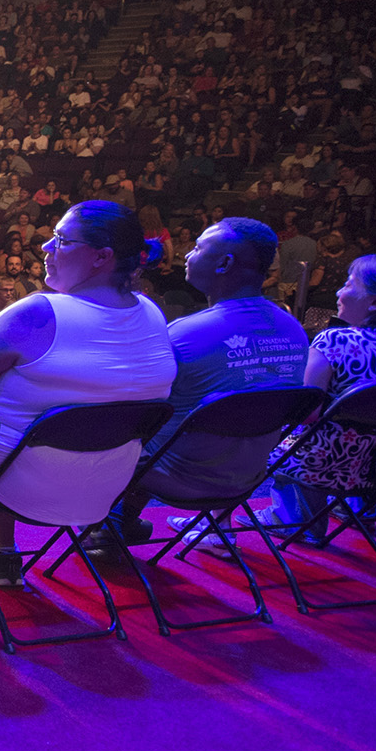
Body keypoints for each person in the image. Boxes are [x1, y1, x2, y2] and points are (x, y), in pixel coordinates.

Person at [0, 202, 177, 585]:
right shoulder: (153, 314)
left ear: (101, 257)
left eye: (60, 240)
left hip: (10, 486)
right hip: (102, 491)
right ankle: (0, 554)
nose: (45, 247)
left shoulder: (37, 313)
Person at [98, 219, 308, 551]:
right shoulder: (293, 328)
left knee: (110, 424)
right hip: (247, 479)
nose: (188, 255)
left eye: (197, 248)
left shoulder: (186, 334)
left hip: (178, 477)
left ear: (224, 264)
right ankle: (201, 525)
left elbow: (128, 398)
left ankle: (109, 526)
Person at [256, 255, 376, 542]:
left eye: (347, 284)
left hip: (316, 466)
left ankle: (294, 519)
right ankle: (355, 508)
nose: (339, 293)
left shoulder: (337, 341)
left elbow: (304, 413)